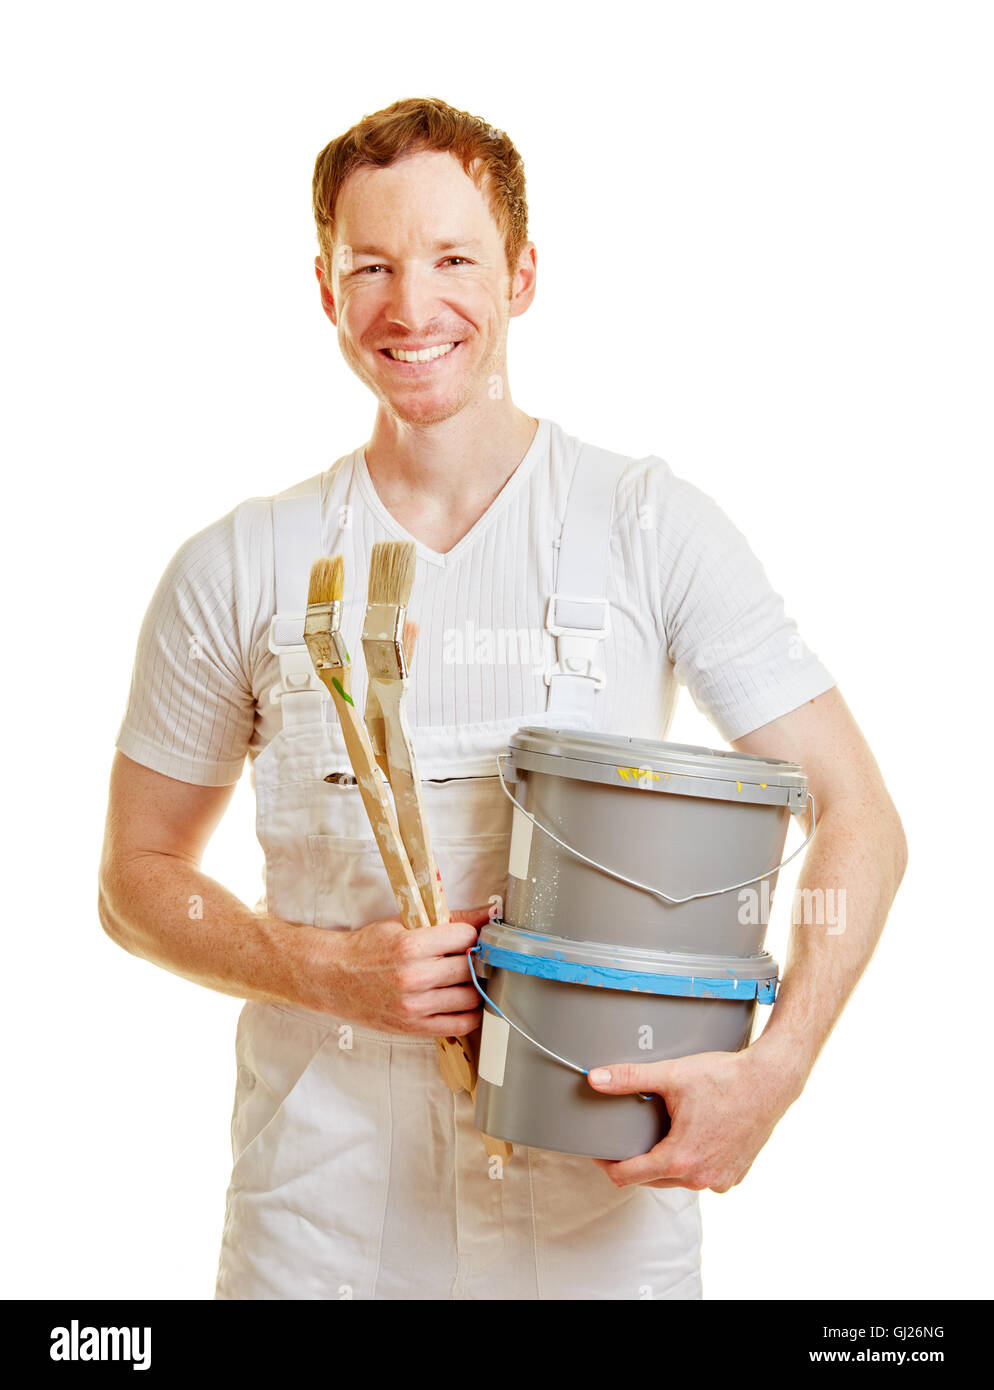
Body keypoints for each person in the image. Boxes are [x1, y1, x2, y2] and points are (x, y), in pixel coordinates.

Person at [97, 95, 907, 1300]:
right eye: (369, 264)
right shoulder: (241, 567)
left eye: (452, 259)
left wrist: (776, 1069)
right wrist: (317, 968)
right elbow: (135, 881)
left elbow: (860, 820)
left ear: (522, 275)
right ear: (324, 290)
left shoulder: (647, 526)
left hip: (599, 1227)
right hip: (321, 1234)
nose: (411, 308)